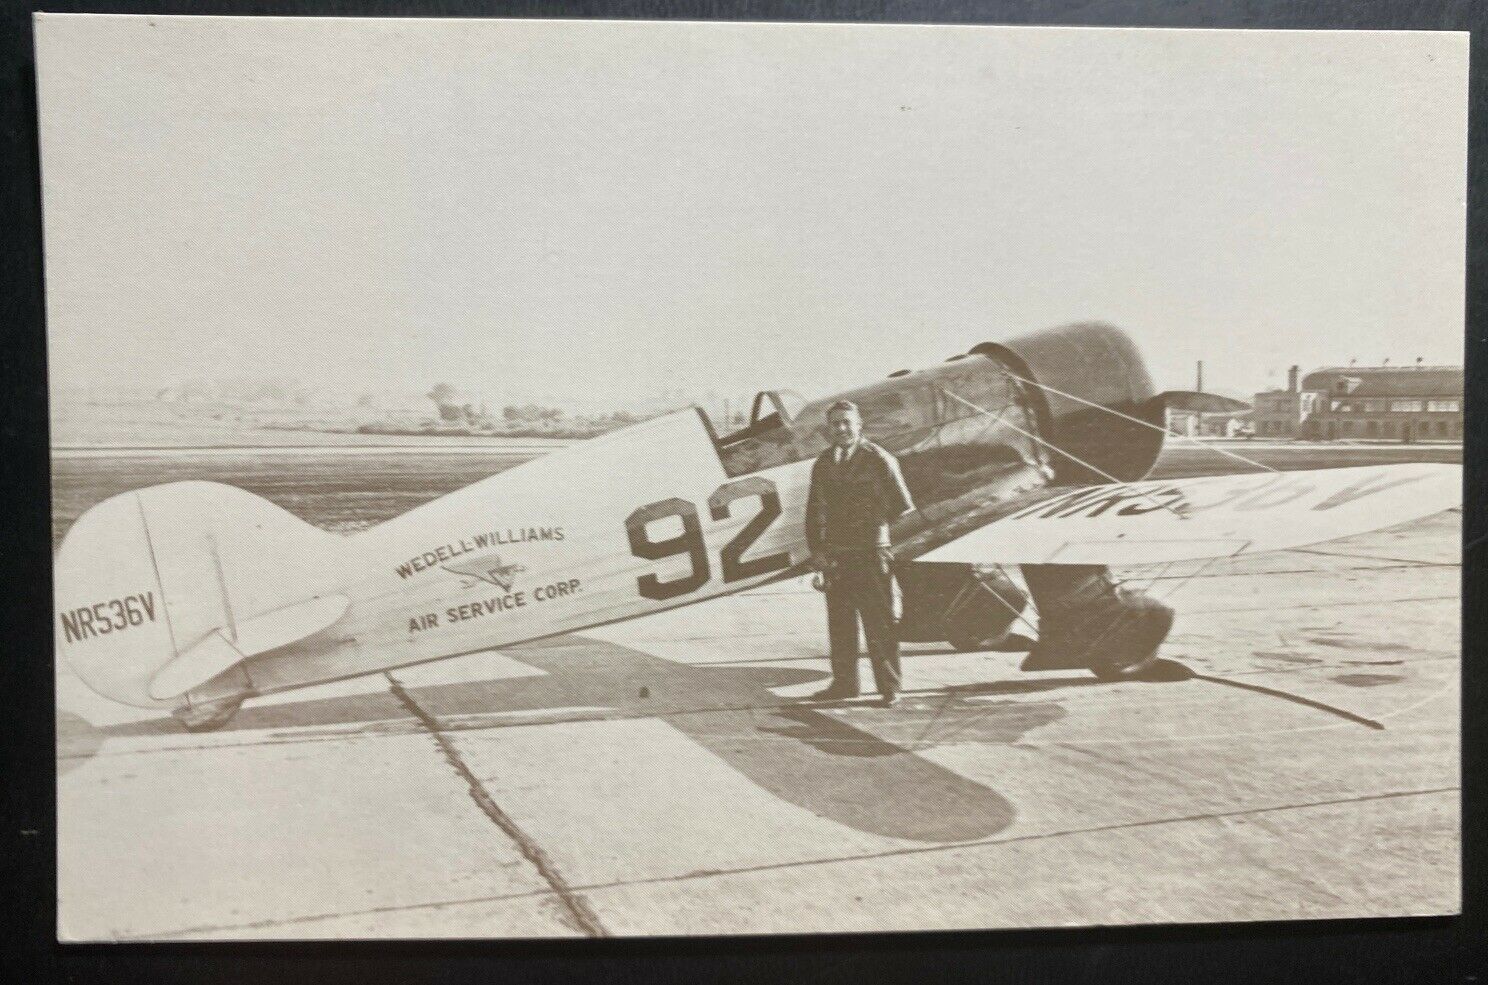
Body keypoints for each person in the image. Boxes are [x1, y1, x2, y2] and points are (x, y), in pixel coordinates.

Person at [804, 399, 916, 706]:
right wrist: (817, 550)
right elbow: (815, 510)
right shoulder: (824, 462)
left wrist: (872, 530)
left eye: (846, 422)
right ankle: (845, 684)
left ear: (859, 425)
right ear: (828, 429)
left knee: (878, 623)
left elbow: (902, 506)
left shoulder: (878, 458)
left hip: (870, 552)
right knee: (841, 625)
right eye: (835, 423)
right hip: (837, 554)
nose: (841, 428)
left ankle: (890, 688)